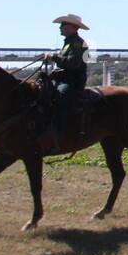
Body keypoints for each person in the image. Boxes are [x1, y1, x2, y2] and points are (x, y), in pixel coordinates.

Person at [40, 14, 90, 153]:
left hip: (73, 81)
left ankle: (60, 135)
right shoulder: (68, 42)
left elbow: (73, 64)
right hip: (64, 78)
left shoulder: (78, 43)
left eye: (64, 25)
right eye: (61, 25)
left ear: (74, 27)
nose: (61, 27)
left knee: (61, 96)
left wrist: (54, 57)